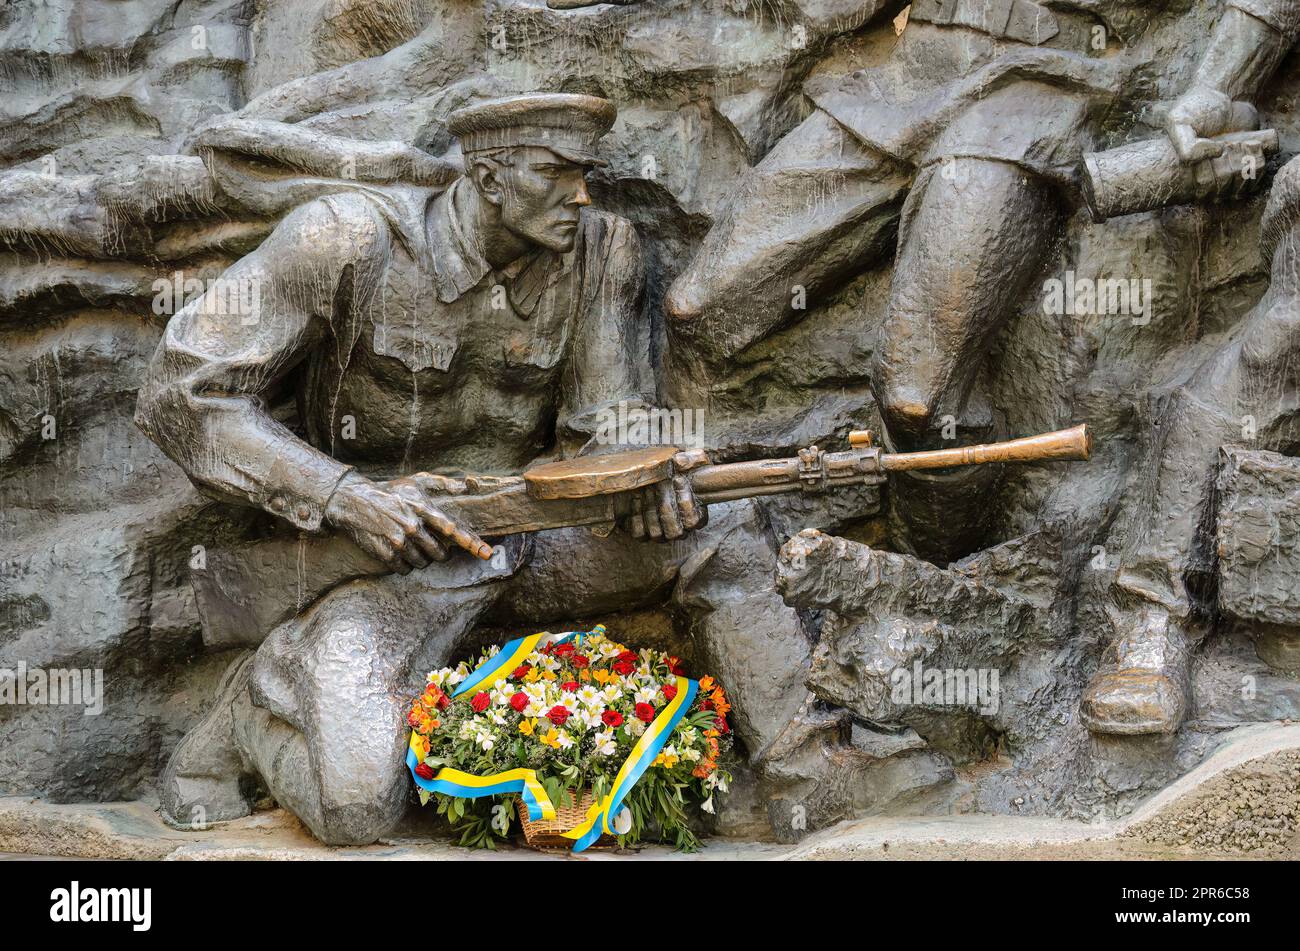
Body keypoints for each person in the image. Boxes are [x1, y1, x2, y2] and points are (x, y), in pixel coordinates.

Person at [136, 93, 708, 843]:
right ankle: (257, 705)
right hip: (374, 570)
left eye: (586, 174)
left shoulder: (603, 249)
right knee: (352, 809)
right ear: (489, 175)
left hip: (527, 545)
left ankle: (802, 769)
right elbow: (182, 393)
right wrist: (346, 496)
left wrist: (647, 471)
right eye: (555, 172)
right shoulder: (346, 239)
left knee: (720, 532)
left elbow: (605, 422)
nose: (579, 194)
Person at [665, 0, 1298, 564]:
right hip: (899, 74)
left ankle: (927, 581)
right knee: (697, 308)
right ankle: (669, 495)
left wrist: (1217, 84)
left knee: (917, 395)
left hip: (1036, 91)